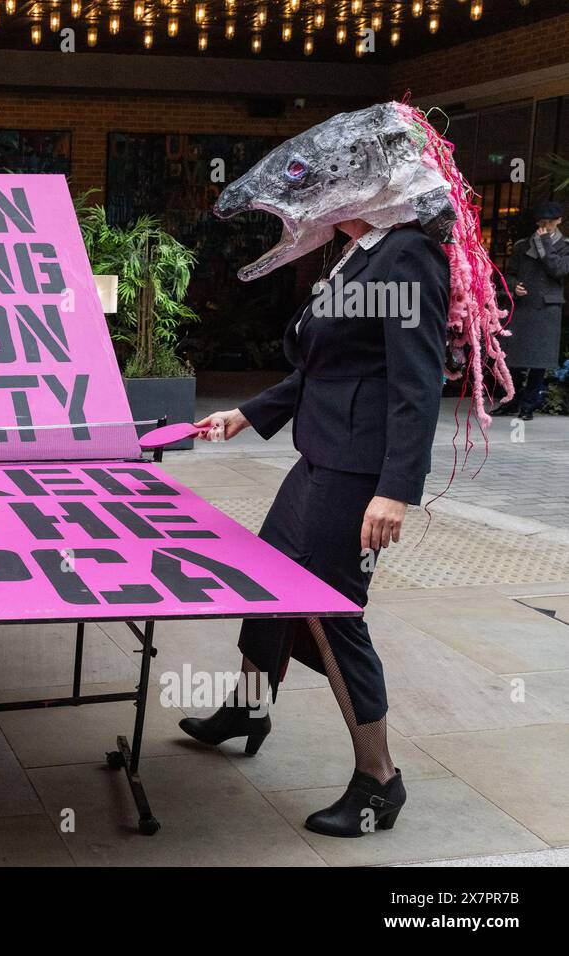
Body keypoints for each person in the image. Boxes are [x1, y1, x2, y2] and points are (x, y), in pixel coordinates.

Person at [192, 101, 512, 838]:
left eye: (332, 182)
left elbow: (414, 383)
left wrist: (397, 491)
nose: (318, 198)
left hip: (358, 471)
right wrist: (248, 414)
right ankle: (250, 707)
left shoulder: (406, 257)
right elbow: (324, 367)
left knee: (334, 614)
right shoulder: (363, 254)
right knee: (268, 582)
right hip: (321, 457)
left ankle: (379, 780)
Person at [498, 200, 568, 420]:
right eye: (541, 222)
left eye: (549, 222)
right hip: (524, 306)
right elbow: (509, 273)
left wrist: (545, 242)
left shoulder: (565, 246)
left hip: (547, 309)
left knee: (538, 361)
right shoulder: (522, 245)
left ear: (559, 221)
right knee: (515, 358)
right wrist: (512, 286)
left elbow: (557, 270)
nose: (544, 226)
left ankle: (529, 405)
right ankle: (511, 400)